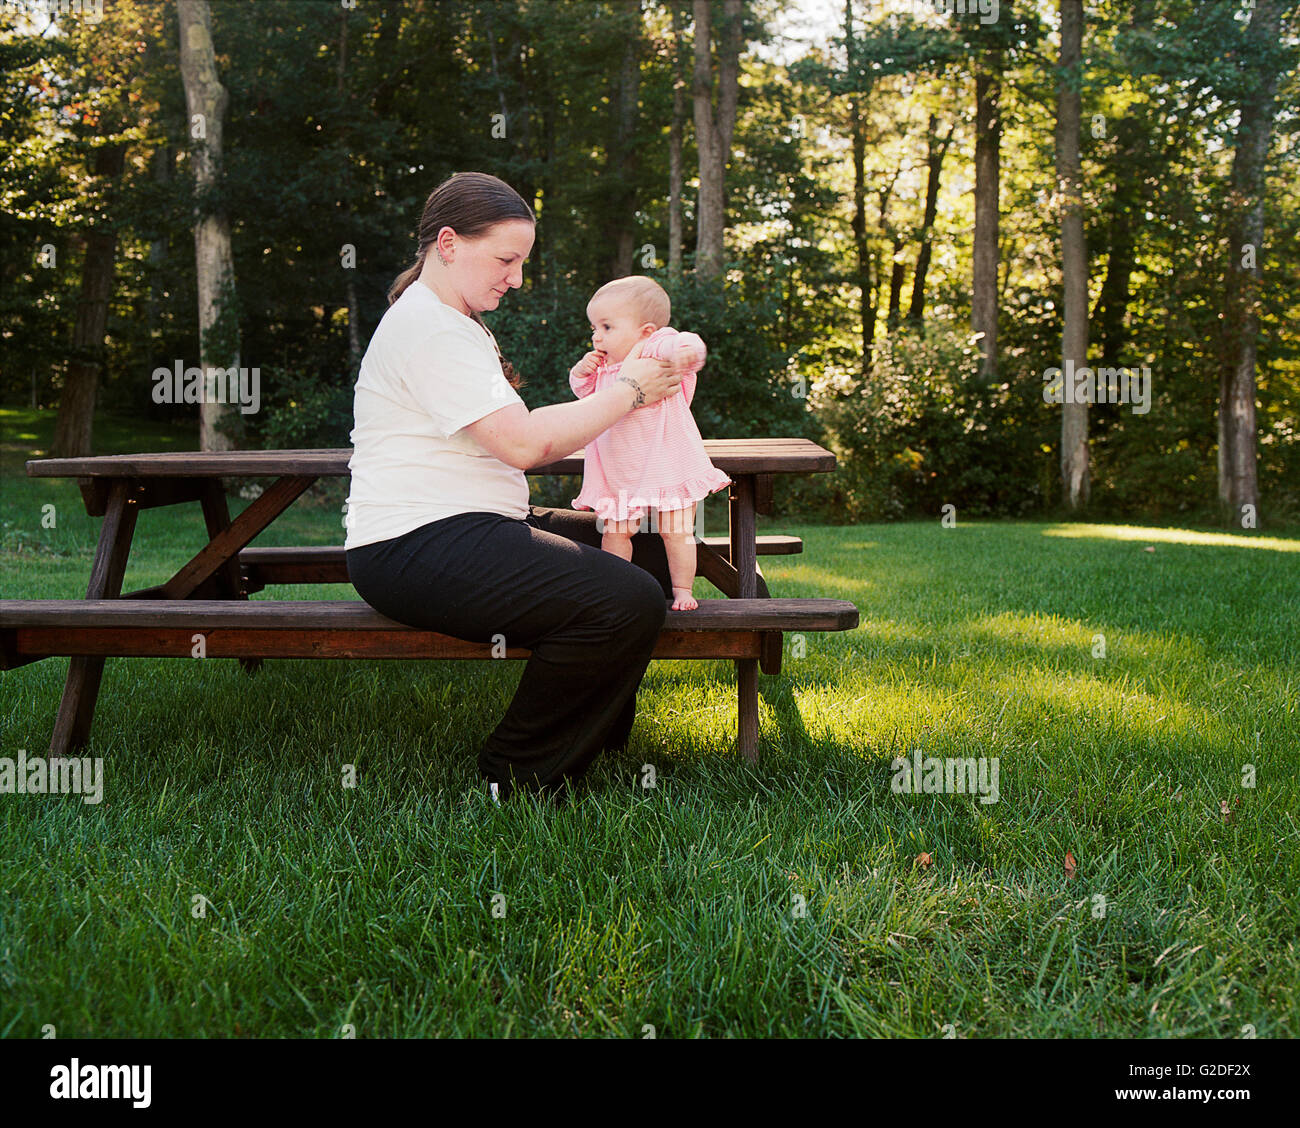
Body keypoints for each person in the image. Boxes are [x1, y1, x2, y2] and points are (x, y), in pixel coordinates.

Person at [344, 172, 683, 804]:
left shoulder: (455, 323)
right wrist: (628, 390)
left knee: (653, 553)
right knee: (624, 600)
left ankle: (594, 738)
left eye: (521, 261)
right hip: (414, 545)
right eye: (507, 259)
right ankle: (520, 774)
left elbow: (522, 432)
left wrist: (626, 413)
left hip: (473, 524)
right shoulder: (428, 328)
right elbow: (525, 444)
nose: (517, 277)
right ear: (448, 244)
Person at [568, 276, 731, 611]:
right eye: (594, 328)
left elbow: (682, 346)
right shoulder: (605, 369)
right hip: (620, 471)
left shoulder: (652, 351)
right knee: (615, 533)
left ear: (645, 331)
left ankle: (683, 589)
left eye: (607, 327)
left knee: (677, 531)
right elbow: (584, 396)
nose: (596, 336)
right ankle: (619, 588)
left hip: (667, 463)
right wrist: (581, 372)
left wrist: (683, 350)